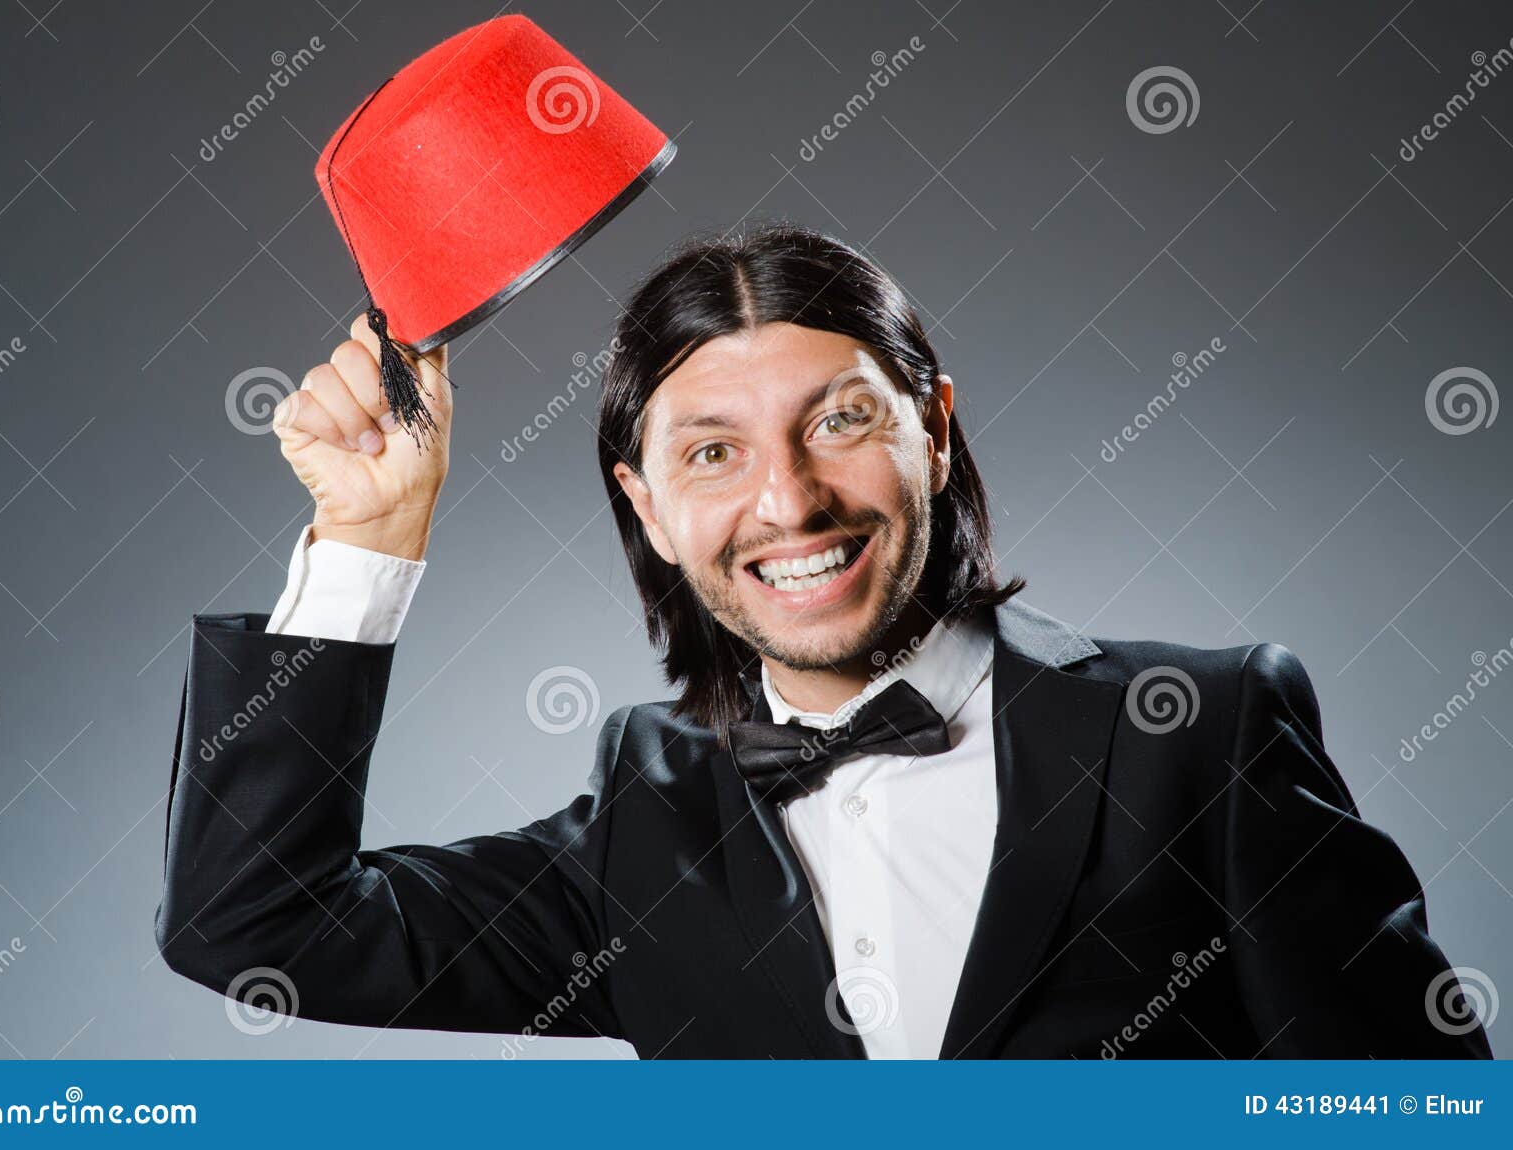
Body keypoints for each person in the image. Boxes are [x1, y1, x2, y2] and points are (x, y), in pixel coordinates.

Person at [156, 222, 1493, 1059]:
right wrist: (372, 539)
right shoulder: (646, 822)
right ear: (649, 507)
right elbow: (256, 925)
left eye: (840, 421)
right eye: (712, 451)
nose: (788, 500)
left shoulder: (1200, 731)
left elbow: (1415, 1106)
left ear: (937, 428)